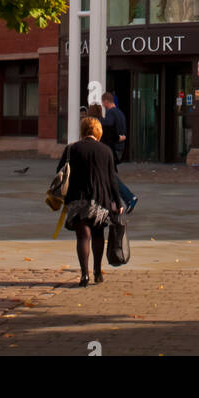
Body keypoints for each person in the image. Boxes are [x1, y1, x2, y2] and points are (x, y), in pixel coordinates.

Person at [56, 115, 122, 285]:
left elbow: (60, 172)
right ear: (98, 131)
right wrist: (118, 202)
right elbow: (112, 179)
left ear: (83, 130)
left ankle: (84, 274)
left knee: (83, 236)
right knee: (98, 234)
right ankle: (97, 271)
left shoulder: (71, 150)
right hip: (100, 199)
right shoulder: (106, 151)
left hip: (77, 199)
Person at [101, 92, 137, 213]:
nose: (102, 104)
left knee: (111, 176)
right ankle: (118, 201)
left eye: (103, 102)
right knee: (110, 176)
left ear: (106, 101)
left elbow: (109, 130)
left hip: (113, 149)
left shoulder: (110, 113)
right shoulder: (120, 113)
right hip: (119, 148)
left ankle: (128, 198)